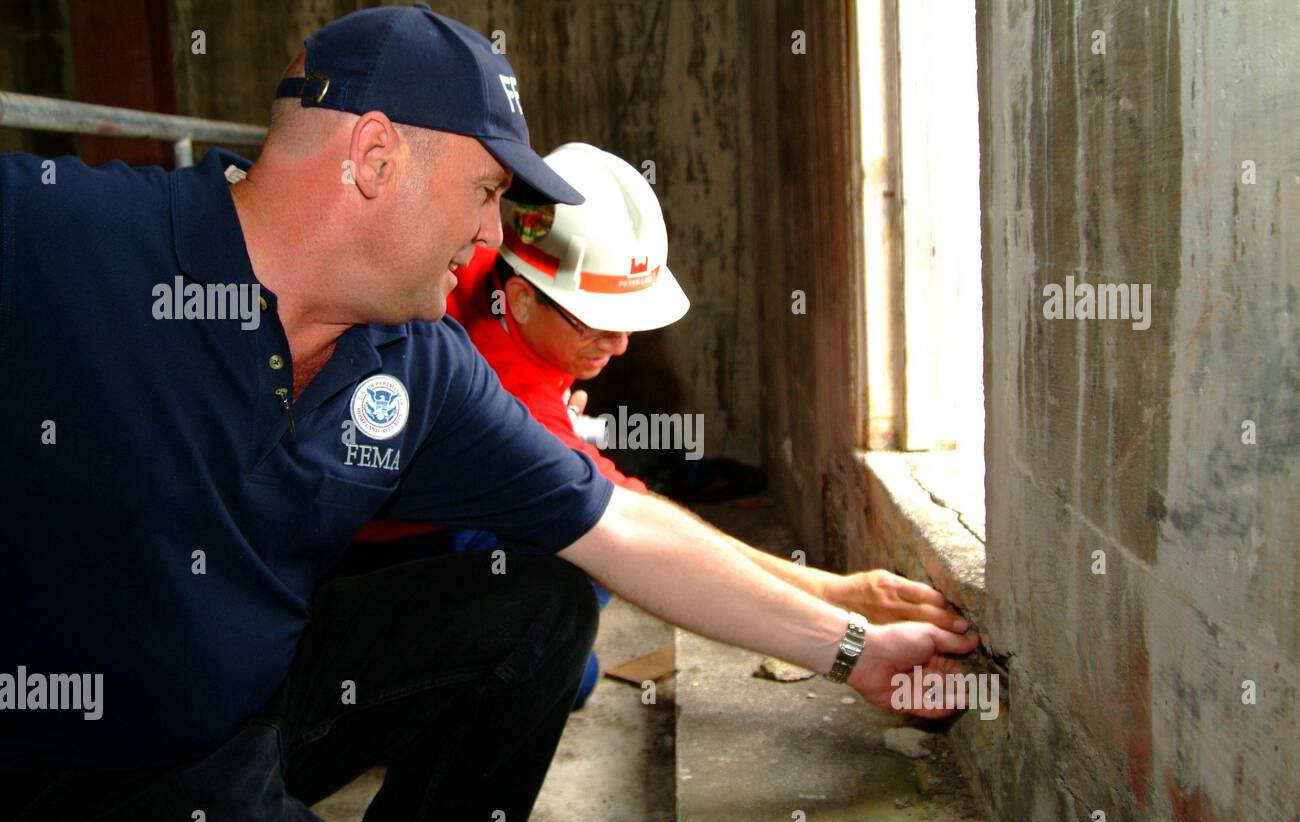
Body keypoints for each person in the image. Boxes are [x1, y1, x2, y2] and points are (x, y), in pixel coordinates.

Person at [0, 4, 976, 822]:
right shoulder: (63, 238)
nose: (491, 238)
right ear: (375, 159)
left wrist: (851, 646)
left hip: (260, 701)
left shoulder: (414, 364)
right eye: (483, 194)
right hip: (95, 775)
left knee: (543, 608)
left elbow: (619, 529)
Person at [354, 142, 972, 706]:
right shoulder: (505, 397)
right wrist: (844, 610)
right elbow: (643, 537)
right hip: (362, 568)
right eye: (595, 322)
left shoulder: (480, 254)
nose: (619, 346)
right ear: (520, 300)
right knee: (569, 639)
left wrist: (850, 595)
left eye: (629, 321)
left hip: (387, 525)